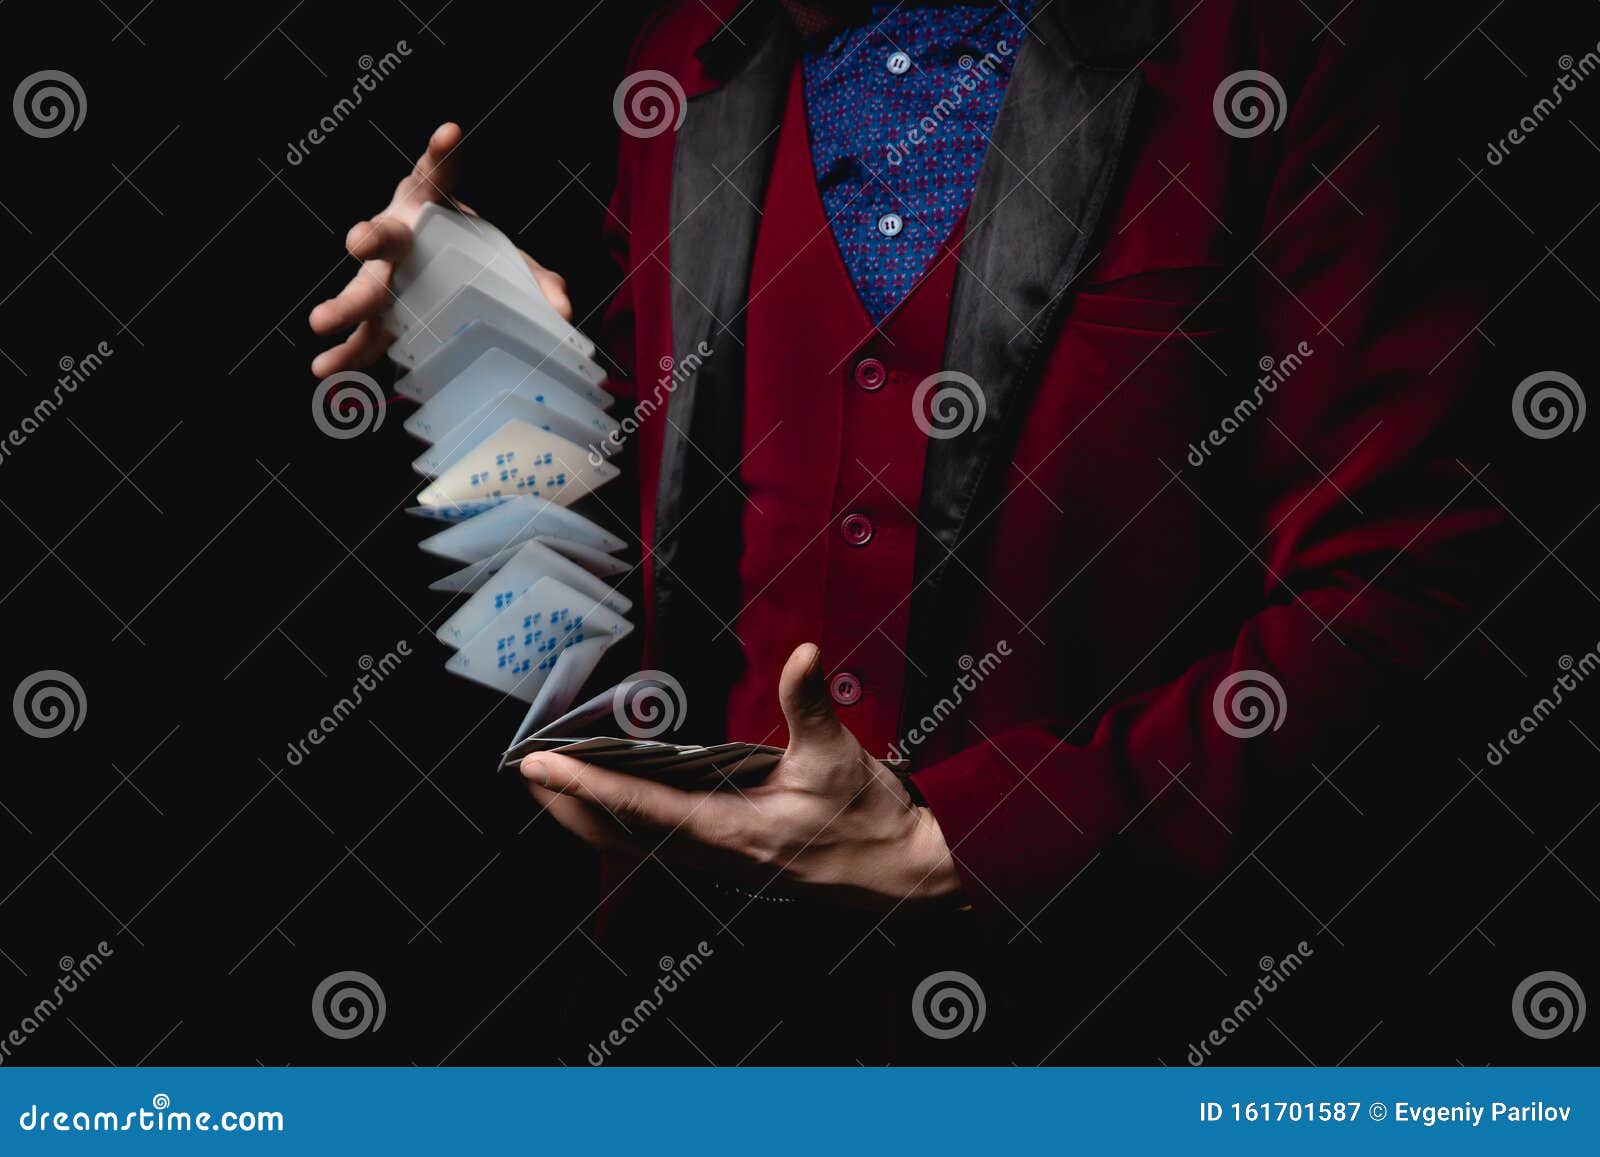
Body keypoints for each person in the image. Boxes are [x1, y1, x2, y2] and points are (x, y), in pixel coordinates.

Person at [309, 0, 1503, 1061]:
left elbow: (1404, 584)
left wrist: (968, 843)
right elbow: (651, 536)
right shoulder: (680, 60)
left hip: (1115, 1034)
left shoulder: (1280, 49)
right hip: (688, 1023)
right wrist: (490, 347)